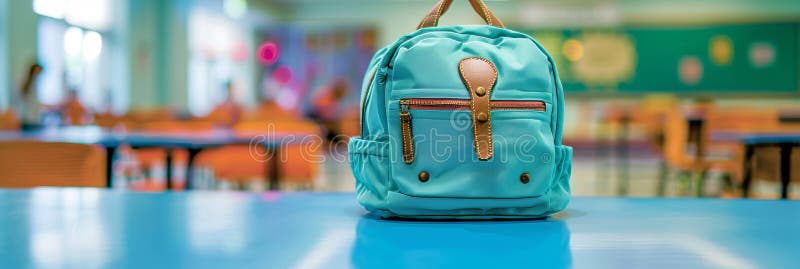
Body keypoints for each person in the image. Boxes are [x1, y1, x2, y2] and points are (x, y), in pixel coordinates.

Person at [17, 63, 43, 130]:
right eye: (38, 70)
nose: (39, 73)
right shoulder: (25, 81)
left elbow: (35, 102)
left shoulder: (35, 82)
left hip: (33, 118)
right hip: (27, 118)